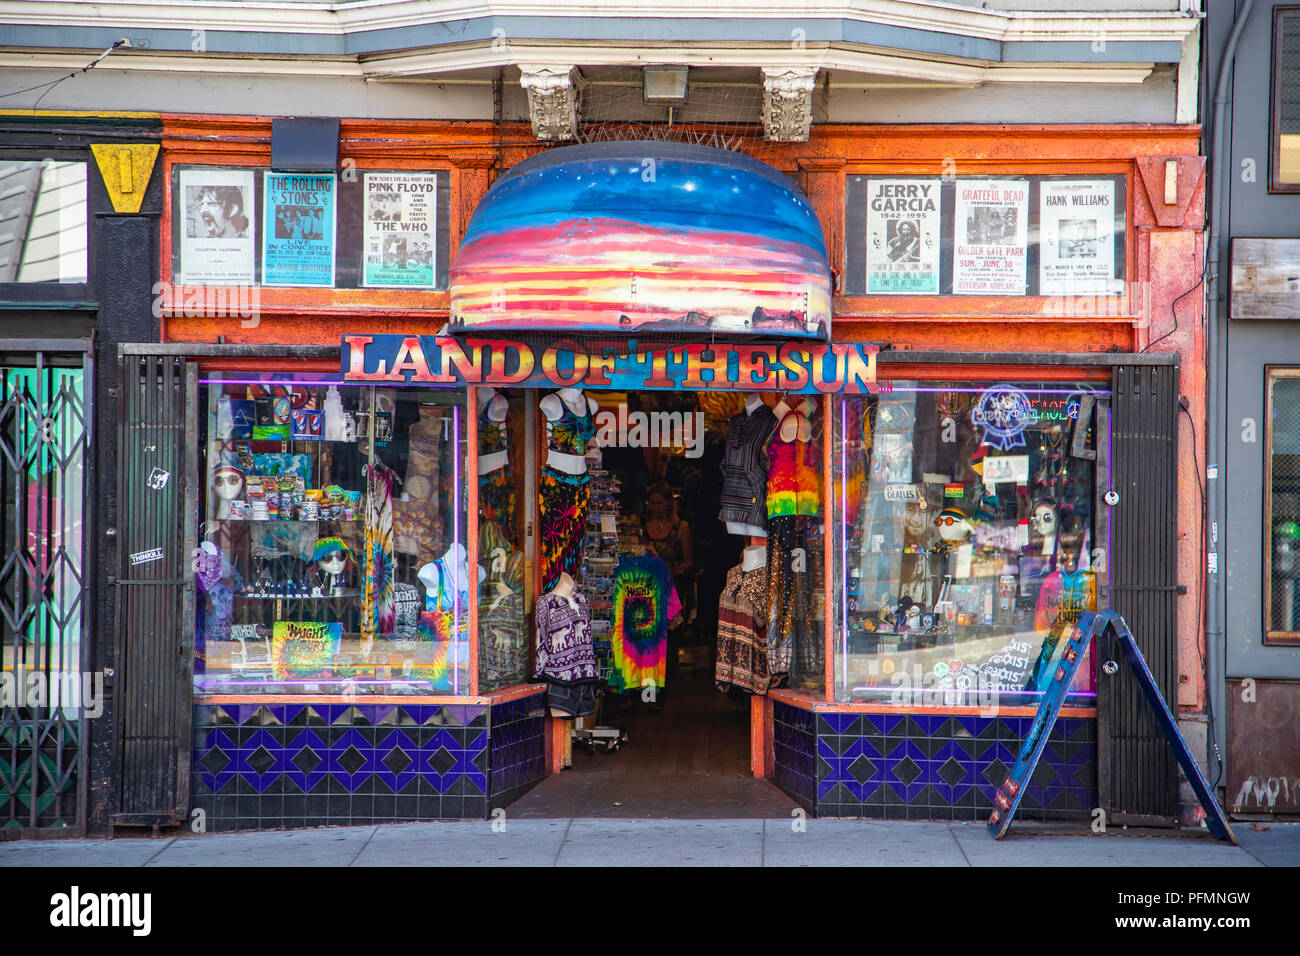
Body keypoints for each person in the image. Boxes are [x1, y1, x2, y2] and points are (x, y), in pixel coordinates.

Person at [641, 481, 695, 629]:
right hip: (644, 587)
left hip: (671, 589)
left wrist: (679, 570)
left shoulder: (681, 528)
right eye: (652, 503)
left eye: (660, 503)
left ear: (669, 503)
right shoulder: (642, 526)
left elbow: (689, 561)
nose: (656, 507)